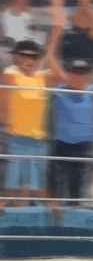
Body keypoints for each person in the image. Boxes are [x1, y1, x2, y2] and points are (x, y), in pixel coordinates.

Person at [1, 38, 54, 198]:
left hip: (38, 139)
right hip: (15, 136)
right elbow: (2, 105)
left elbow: (60, 75)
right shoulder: (10, 74)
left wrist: (56, 34)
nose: (28, 60)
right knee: (12, 186)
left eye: (33, 57)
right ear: (14, 57)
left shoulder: (41, 76)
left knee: (33, 188)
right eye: (23, 56)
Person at [47, 57, 93, 206]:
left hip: (84, 142)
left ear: (88, 74)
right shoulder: (59, 90)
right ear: (68, 73)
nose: (79, 75)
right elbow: (50, 60)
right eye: (75, 71)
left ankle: (74, 209)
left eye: (83, 72)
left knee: (78, 179)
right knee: (56, 178)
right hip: (62, 141)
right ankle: (55, 211)